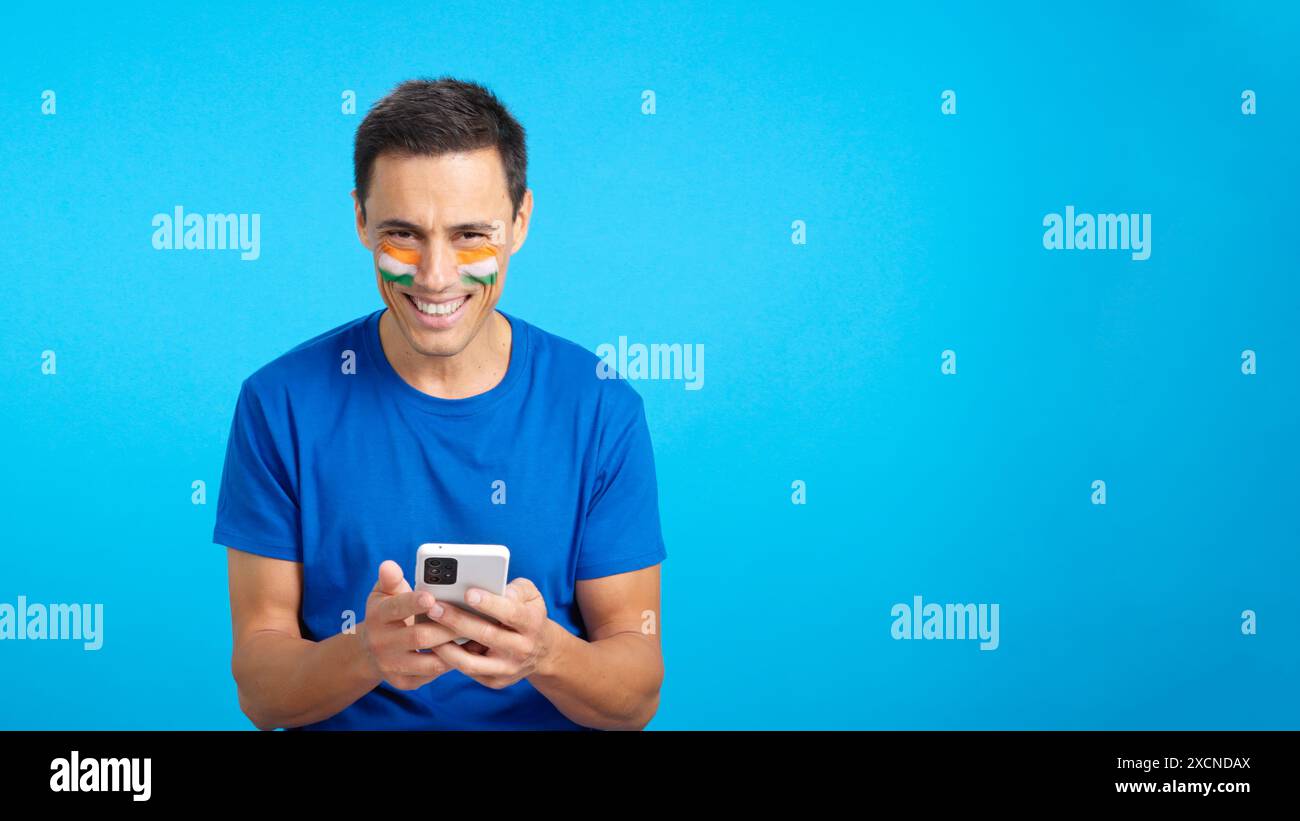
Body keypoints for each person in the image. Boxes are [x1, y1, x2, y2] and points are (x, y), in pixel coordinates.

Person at [213, 77, 666, 730]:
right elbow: (260, 686)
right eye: (404, 233)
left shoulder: (601, 408)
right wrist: (366, 653)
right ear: (361, 219)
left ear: (520, 222)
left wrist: (545, 652)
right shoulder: (278, 404)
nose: (435, 275)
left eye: (470, 235)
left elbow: (637, 691)